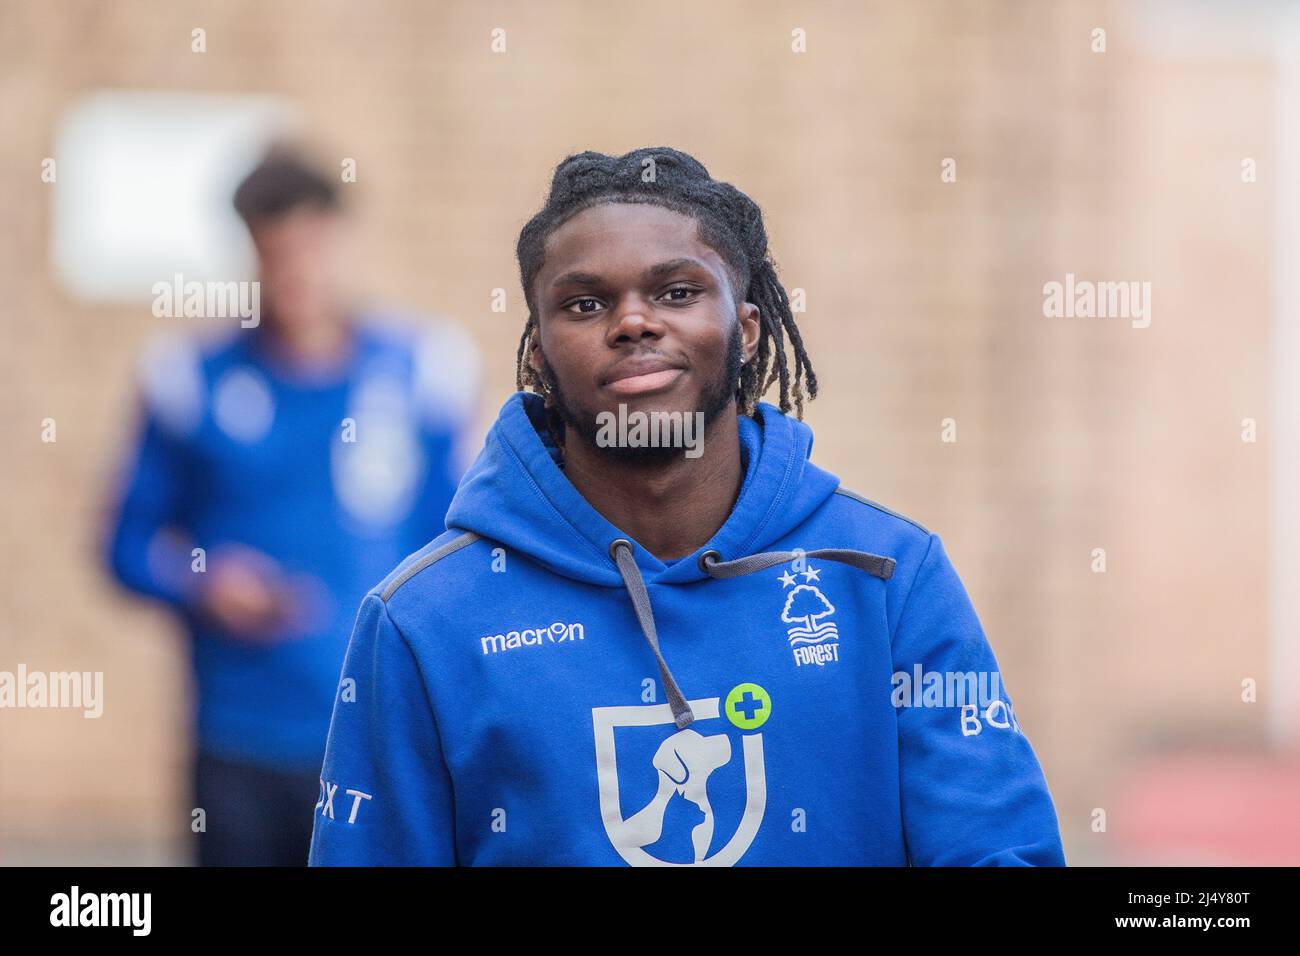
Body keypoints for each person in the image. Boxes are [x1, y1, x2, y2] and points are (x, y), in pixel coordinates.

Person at [308, 146, 1066, 866]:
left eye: (677, 291)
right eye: (585, 303)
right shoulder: (423, 619)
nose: (633, 321)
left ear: (746, 327)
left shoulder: (886, 576)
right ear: (538, 350)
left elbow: (996, 844)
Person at [105, 150, 481, 866]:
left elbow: (453, 551)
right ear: (248, 252)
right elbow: (127, 543)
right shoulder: (189, 382)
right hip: (239, 738)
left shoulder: (421, 374)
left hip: (377, 739)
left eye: (311, 248)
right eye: (275, 253)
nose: (296, 273)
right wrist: (202, 579)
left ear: (342, 241)